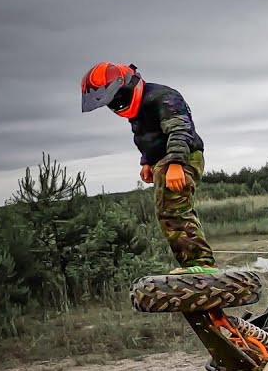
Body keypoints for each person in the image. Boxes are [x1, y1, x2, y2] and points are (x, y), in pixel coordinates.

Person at [81, 62, 217, 274]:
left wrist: (175, 163)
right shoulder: (138, 108)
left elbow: (180, 129)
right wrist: (147, 161)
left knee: (173, 209)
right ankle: (194, 267)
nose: (115, 104)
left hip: (183, 156)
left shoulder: (163, 97)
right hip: (164, 160)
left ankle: (201, 265)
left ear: (125, 87)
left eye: (115, 98)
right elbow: (146, 136)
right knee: (166, 212)